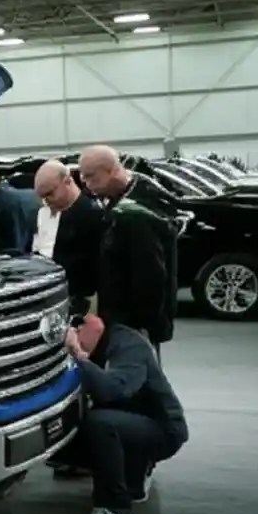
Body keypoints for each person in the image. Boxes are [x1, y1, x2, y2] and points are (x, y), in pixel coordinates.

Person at [64, 314, 188, 514]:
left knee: (99, 424)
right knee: (80, 429)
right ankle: (134, 475)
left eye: (76, 328)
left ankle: (115, 507)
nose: (74, 335)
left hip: (163, 430)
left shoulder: (129, 344)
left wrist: (77, 356)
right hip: (136, 421)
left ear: (93, 324)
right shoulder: (104, 346)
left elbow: (115, 389)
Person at [77, 146, 179, 358]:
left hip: (133, 324)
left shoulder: (134, 214)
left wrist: (145, 325)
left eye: (91, 177)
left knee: (137, 382)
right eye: (83, 177)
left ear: (113, 170)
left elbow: (151, 276)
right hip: (122, 320)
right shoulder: (122, 202)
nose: (86, 185)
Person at [33, 159, 106, 316]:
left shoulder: (93, 214)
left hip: (86, 298)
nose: (46, 201)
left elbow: (99, 267)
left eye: (50, 193)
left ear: (67, 181)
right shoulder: (55, 212)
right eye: (42, 197)